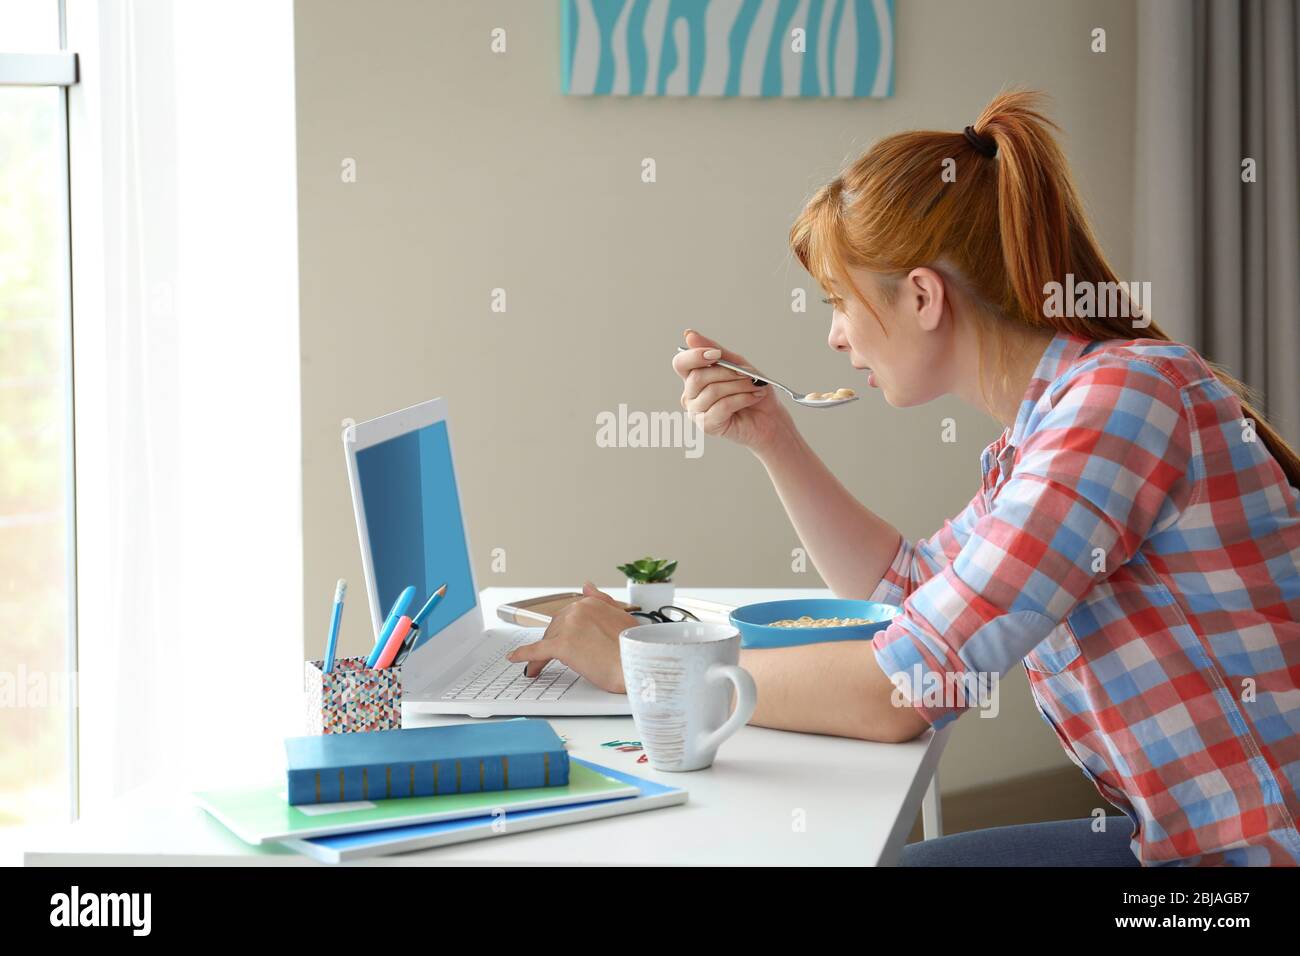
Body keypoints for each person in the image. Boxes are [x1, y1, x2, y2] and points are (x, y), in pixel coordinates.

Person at [507, 91, 1300, 866]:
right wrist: (774, 438)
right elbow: (908, 592)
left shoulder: (1119, 405)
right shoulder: (1046, 430)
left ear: (922, 295)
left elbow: (898, 693)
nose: (835, 335)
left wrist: (642, 667)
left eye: (838, 303)